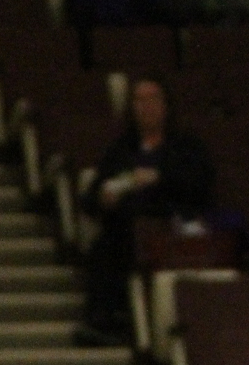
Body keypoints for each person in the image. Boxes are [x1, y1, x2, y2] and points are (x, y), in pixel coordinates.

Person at [80, 78, 215, 344]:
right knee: (106, 246)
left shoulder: (187, 146)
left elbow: (200, 186)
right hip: (126, 230)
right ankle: (105, 321)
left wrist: (158, 178)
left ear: (166, 105)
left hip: (172, 224)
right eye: (139, 100)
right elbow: (91, 198)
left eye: (153, 99)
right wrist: (104, 198)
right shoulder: (121, 150)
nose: (146, 106)